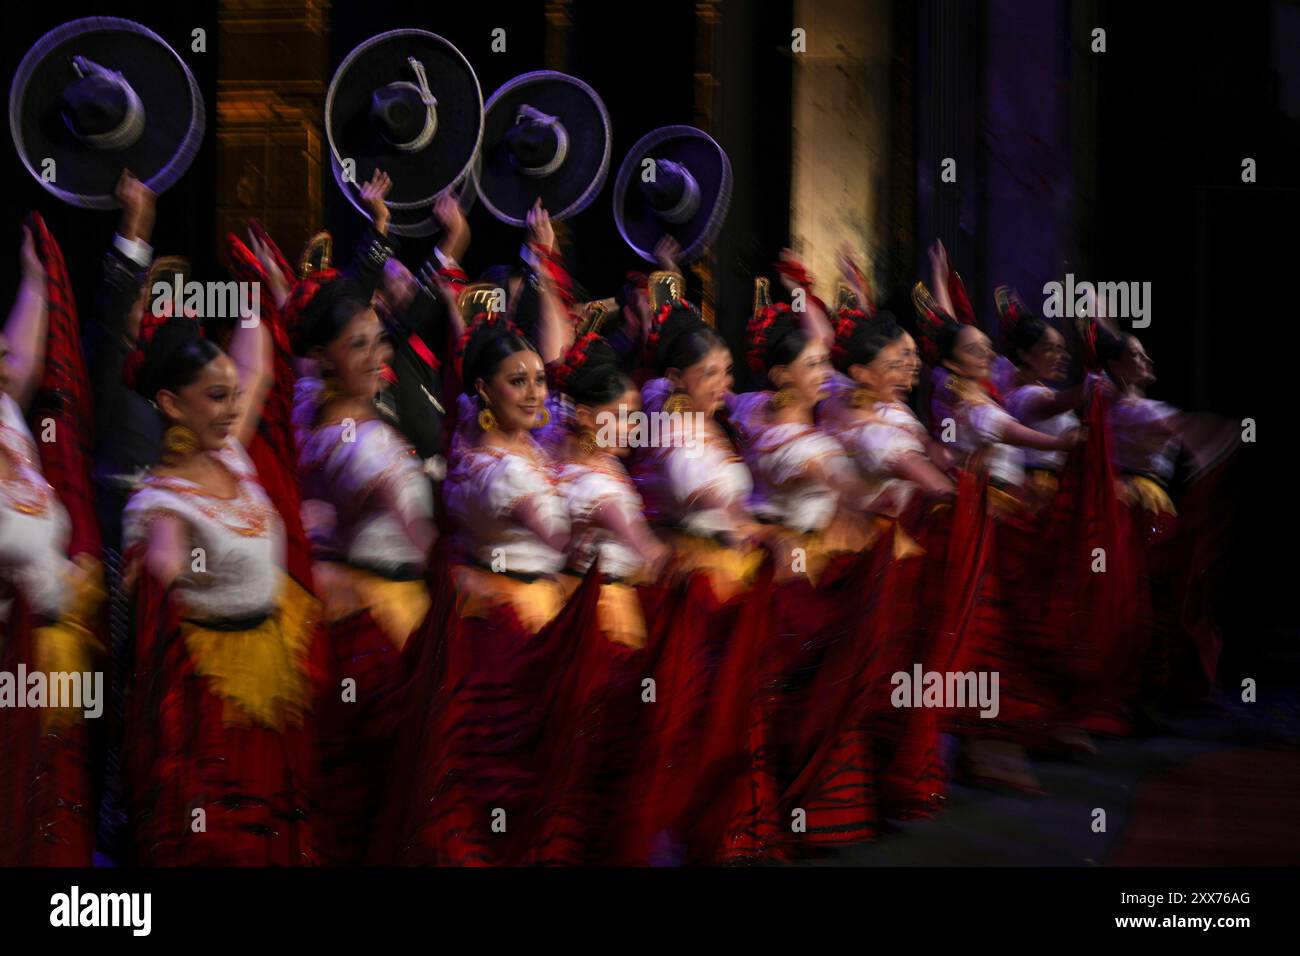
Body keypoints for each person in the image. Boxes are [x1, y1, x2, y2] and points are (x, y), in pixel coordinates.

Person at [121, 308, 319, 865]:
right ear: (170, 404)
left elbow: (254, 372)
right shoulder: (161, 504)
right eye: (216, 396)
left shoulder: (229, 452)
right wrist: (153, 572)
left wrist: (251, 296)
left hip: (271, 667)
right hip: (212, 697)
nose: (233, 408)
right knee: (226, 837)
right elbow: (156, 577)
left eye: (233, 394)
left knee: (277, 826)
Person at [291, 274, 436, 864]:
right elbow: (420, 538)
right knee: (383, 797)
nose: (379, 357)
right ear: (324, 359)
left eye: (379, 342)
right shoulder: (357, 443)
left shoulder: (316, 413)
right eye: (359, 345)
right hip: (384, 630)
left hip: (363, 619)